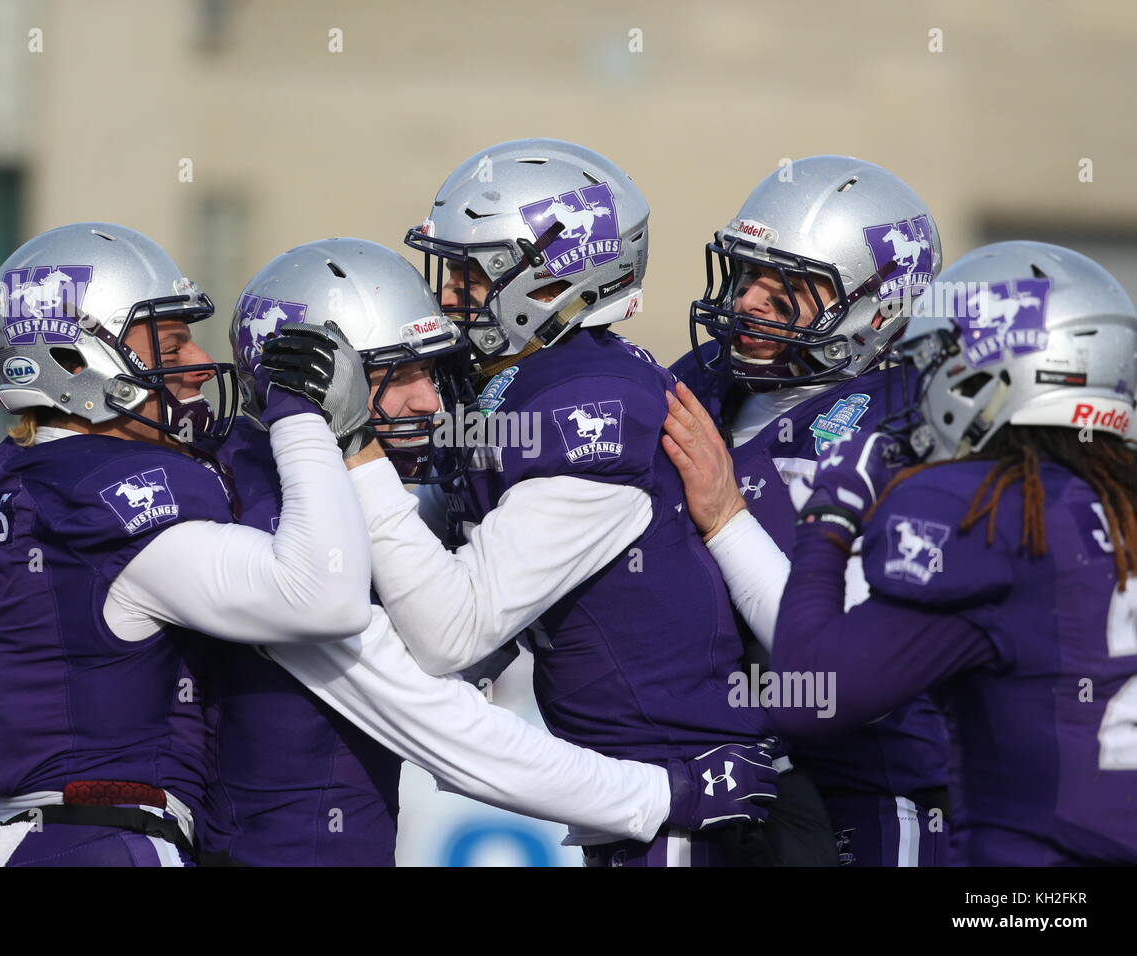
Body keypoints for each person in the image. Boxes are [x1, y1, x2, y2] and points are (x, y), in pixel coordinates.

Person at [202, 237, 777, 865]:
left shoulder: (311, 494)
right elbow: (448, 728)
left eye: (431, 370)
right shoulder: (274, 525)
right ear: (303, 387)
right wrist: (662, 793)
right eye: (392, 376)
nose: (428, 402)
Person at [673, 240, 1137, 865]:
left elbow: (819, 693)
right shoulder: (1108, 507)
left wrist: (826, 520)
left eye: (950, 367)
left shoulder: (990, 514)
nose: (929, 391)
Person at [0, 222, 373, 866]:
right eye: (170, 347)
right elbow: (326, 595)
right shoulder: (103, 488)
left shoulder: (14, 473)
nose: (197, 367)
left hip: (39, 836)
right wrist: (304, 424)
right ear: (76, 362)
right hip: (100, 840)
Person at [667, 156, 951, 866]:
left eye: (788, 285)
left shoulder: (909, 422)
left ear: (876, 308)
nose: (750, 302)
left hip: (869, 783)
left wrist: (727, 517)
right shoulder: (700, 381)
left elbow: (856, 674)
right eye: (747, 273)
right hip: (724, 776)